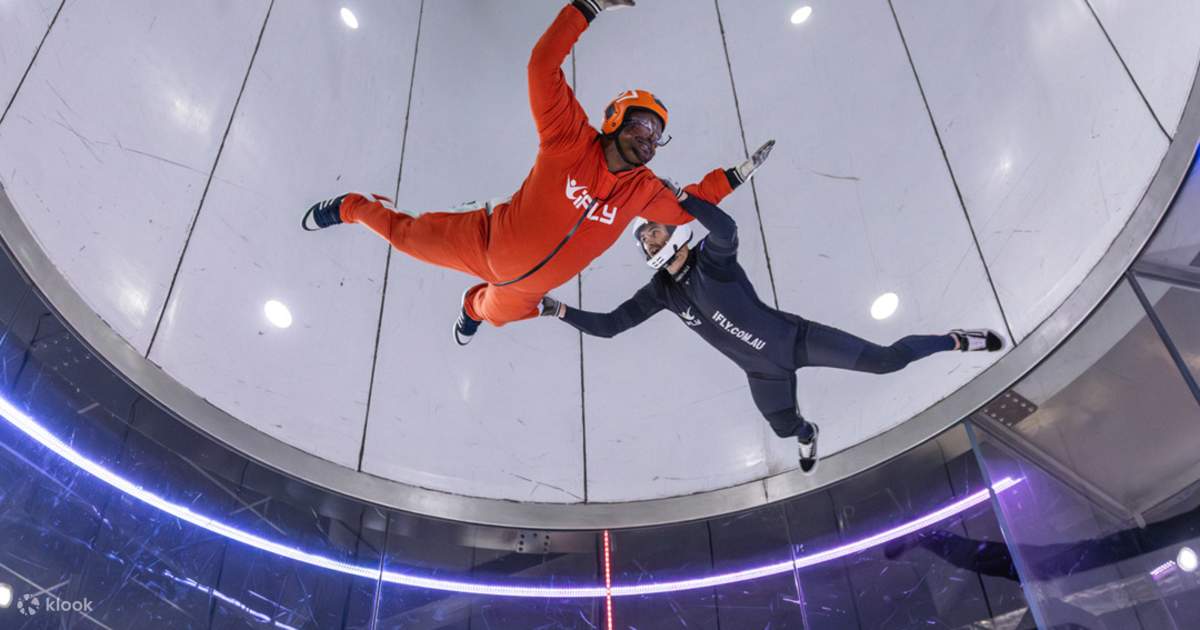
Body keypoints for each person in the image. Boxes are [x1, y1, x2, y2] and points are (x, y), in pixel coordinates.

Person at [301, 0, 740, 346]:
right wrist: (586, 8)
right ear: (616, 120)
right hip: (485, 240)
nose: (650, 137)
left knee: (491, 315)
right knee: (404, 237)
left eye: (658, 134)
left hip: (524, 293)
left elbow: (687, 210)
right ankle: (353, 207)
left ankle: (470, 309)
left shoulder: (644, 192)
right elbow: (541, 67)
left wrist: (732, 179)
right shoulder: (570, 138)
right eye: (643, 124)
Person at [539, 150, 1004, 472]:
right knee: (785, 431)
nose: (649, 240)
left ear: (675, 230)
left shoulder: (711, 261)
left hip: (798, 340)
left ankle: (956, 339)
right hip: (763, 374)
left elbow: (726, 229)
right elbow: (610, 326)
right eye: (643, 239)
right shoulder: (661, 290)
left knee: (887, 361)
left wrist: (684, 199)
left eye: (654, 232)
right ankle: (809, 433)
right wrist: (557, 309)